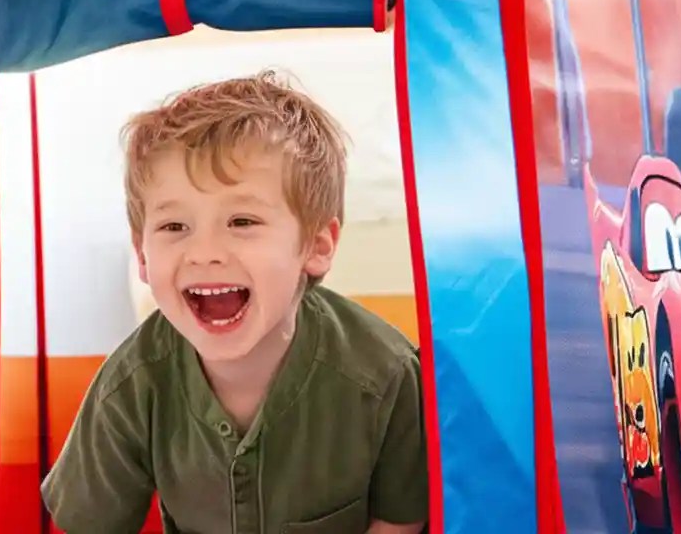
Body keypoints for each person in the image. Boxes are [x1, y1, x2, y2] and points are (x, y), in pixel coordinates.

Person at [41, 71, 430, 533]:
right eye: (174, 227)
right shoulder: (131, 385)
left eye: (242, 221)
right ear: (143, 254)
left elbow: (398, 523)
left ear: (316, 245)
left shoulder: (384, 373)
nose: (205, 252)